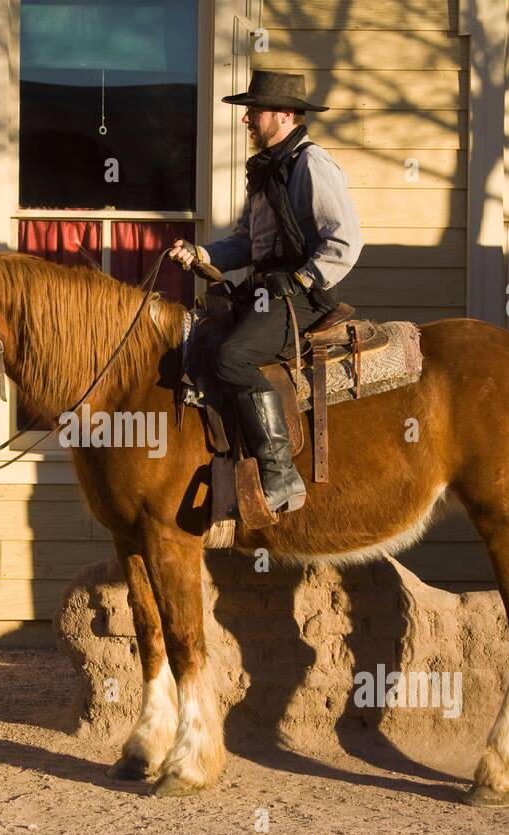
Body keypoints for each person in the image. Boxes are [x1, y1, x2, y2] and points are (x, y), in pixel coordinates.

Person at [169, 70, 363, 514]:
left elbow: (345, 241)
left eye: (254, 112)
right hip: (268, 292)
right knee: (203, 338)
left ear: (284, 114)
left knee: (232, 356)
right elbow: (243, 243)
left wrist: (300, 279)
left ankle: (280, 474)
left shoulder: (312, 164)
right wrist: (201, 251)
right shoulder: (263, 172)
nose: (247, 121)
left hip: (304, 297)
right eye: (248, 112)